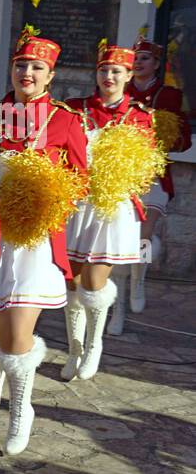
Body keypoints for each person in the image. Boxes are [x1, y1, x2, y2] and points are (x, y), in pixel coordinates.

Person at [0, 28, 88, 456]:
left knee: (16, 335)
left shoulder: (65, 120)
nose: (28, 73)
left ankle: (21, 411)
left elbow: (79, 179)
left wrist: (47, 201)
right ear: (11, 69)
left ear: (51, 75)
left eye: (37, 67)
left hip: (34, 241)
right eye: (21, 65)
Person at [63, 42, 150, 363]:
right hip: (74, 205)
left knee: (94, 281)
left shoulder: (139, 118)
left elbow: (142, 167)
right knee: (70, 281)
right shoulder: (74, 108)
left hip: (110, 207)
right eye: (103, 70)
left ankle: (93, 345)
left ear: (128, 75)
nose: (109, 76)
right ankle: (74, 349)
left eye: (116, 71)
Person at [126, 32, 192, 313]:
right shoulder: (121, 90)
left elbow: (183, 139)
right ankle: (117, 288)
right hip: (120, 173)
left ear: (156, 63)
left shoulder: (169, 95)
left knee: (144, 232)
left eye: (144, 58)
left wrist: (164, 132)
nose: (137, 63)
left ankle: (138, 281)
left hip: (152, 173)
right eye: (134, 58)